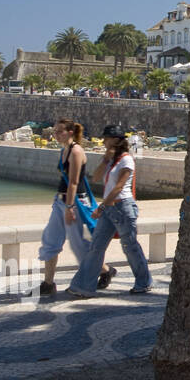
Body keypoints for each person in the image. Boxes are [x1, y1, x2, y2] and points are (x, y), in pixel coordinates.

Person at [69, 126, 153, 297]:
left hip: (122, 207)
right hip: (109, 208)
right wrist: (105, 160)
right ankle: (83, 286)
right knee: (96, 246)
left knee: (130, 246)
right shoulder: (112, 160)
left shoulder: (126, 160)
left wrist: (101, 207)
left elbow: (119, 186)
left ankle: (144, 282)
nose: (103, 141)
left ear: (115, 139)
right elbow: (96, 178)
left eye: (106, 138)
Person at [36, 119, 105, 295]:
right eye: (55, 131)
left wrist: (69, 207)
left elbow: (74, 182)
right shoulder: (64, 150)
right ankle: (48, 284)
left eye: (60, 131)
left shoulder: (76, 151)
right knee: (50, 240)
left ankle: (104, 271)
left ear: (70, 132)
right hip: (60, 201)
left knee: (79, 245)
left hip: (75, 203)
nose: (56, 134)